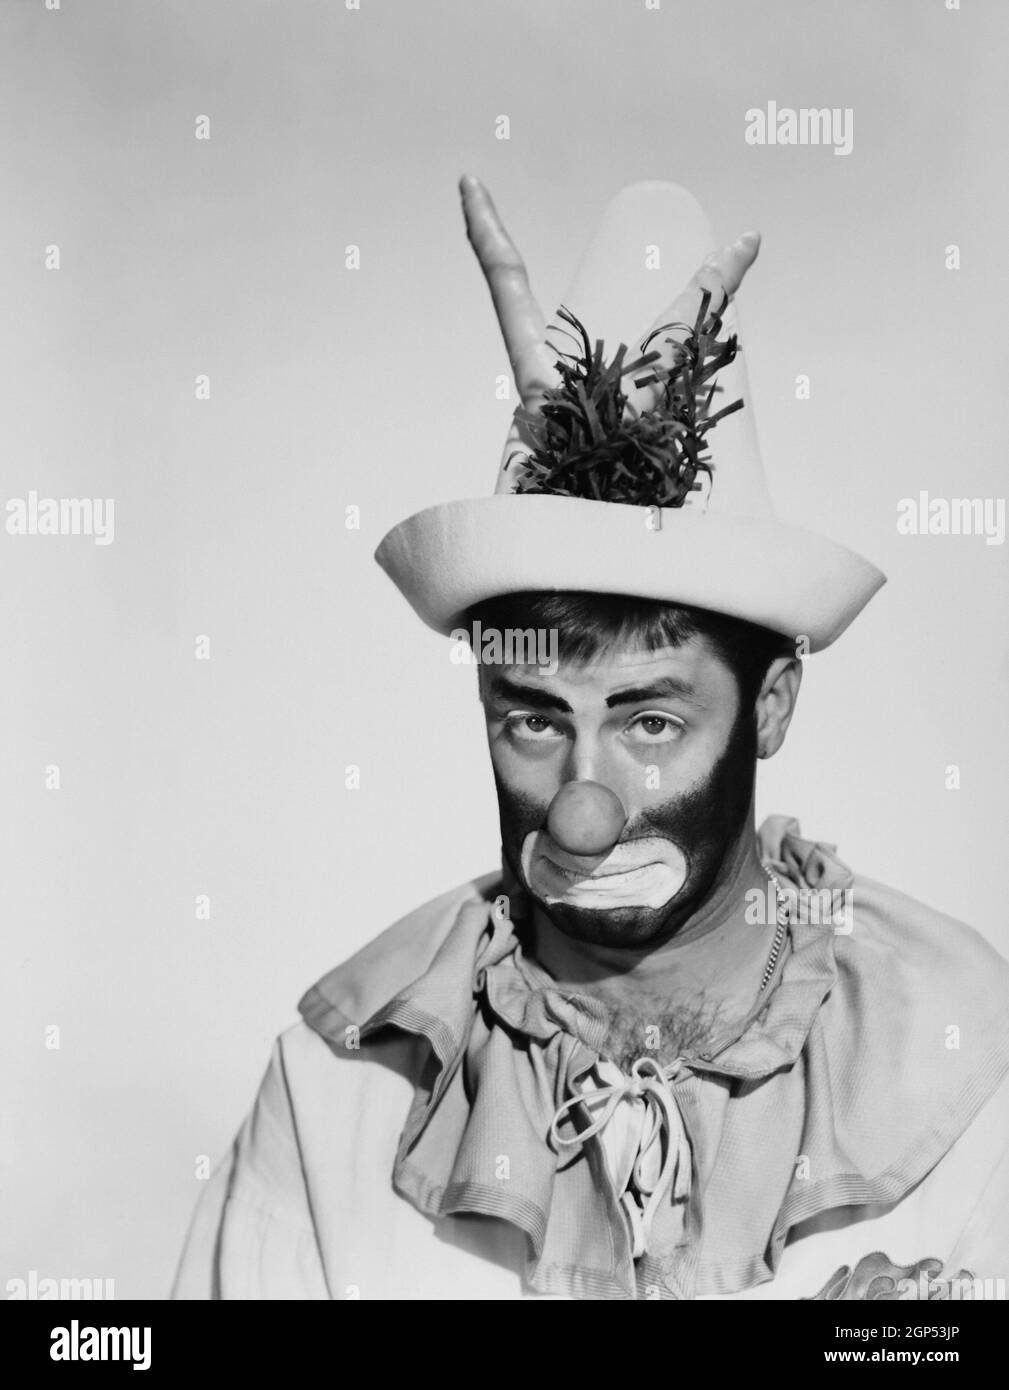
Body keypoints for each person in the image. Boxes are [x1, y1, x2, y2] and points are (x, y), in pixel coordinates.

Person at [172, 177, 1009, 1301]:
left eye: (650, 720)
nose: (583, 804)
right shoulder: (339, 1094)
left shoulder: (967, 1068)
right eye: (532, 717)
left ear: (771, 707)